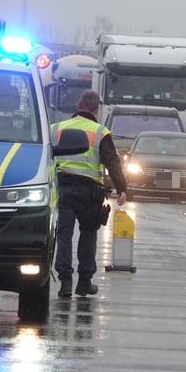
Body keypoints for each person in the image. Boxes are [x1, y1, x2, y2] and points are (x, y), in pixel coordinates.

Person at [51, 90, 128, 298]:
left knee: (64, 235)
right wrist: (121, 188)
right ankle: (84, 283)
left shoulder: (56, 129)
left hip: (62, 188)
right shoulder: (101, 132)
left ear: (78, 105)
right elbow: (112, 161)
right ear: (96, 109)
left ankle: (65, 283)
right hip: (89, 192)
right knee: (88, 234)